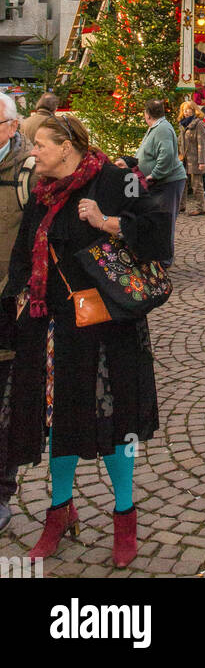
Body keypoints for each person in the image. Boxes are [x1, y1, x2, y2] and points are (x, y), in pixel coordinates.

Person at [1, 114, 170, 568]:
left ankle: (124, 517)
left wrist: (108, 221)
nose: (33, 151)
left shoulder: (117, 181)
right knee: (59, 422)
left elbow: (159, 236)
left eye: (40, 144)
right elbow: (23, 252)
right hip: (54, 328)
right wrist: (16, 295)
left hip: (110, 327)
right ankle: (58, 513)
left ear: (67, 146)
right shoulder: (43, 194)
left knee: (117, 421)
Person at [0, 94, 35, 532]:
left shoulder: (27, 173)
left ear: (10, 127)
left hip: (9, 302)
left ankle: (3, 487)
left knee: (5, 399)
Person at [122, 100, 187, 266]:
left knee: (165, 219)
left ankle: (164, 259)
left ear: (147, 114)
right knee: (156, 218)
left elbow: (167, 155)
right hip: (158, 182)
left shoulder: (163, 129)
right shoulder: (156, 128)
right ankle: (157, 255)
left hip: (168, 182)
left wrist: (154, 175)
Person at [178, 101, 205, 218]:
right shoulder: (182, 124)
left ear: (194, 110)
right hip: (183, 159)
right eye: (184, 110)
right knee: (182, 183)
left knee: (196, 185)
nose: (186, 112)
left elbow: (201, 144)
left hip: (195, 159)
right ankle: (181, 206)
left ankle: (200, 208)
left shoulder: (198, 124)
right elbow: (180, 142)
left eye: (188, 109)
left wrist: (201, 162)